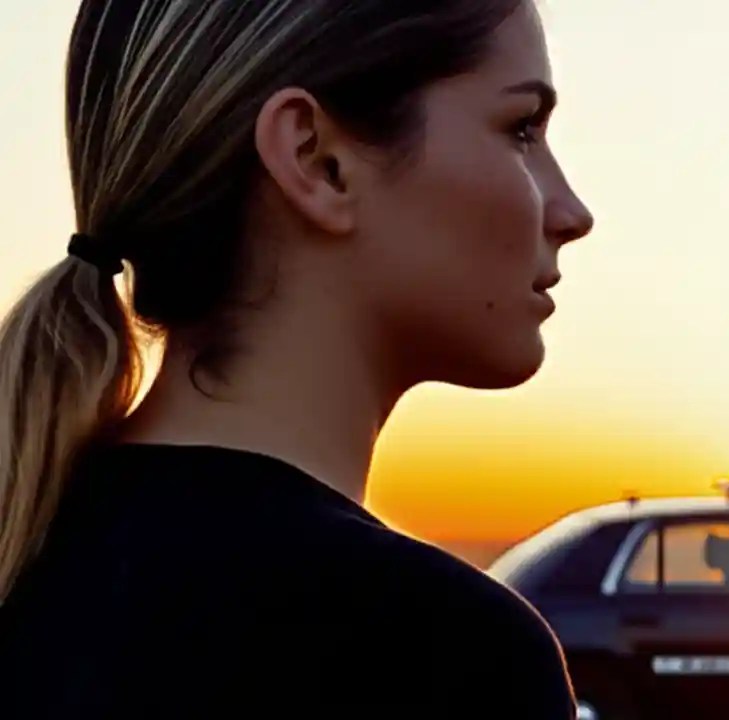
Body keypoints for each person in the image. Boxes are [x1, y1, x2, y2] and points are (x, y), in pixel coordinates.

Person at [0, 0, 594, 716]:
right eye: (520, 128)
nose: (570, 211)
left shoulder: (31, 563)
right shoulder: (434, 649)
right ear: (319, 161)